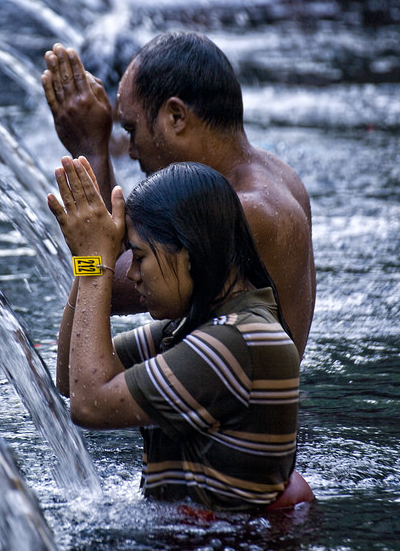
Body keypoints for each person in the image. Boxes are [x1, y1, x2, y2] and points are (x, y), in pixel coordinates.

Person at [47, 157, 309, 509]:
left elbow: (88, 404)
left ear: (188, 253)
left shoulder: (237, 341)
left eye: (139, 257)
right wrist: (89, 258)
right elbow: (69, 377)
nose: (132, 274)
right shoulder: (199, 330)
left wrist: (97, 261)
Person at [41, 31, 316, 358]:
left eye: (131, 130)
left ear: (176, 117)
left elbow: (103, 282)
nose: (129, 151)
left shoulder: (245, 210)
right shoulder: (276, 176)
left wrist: (92, 149)